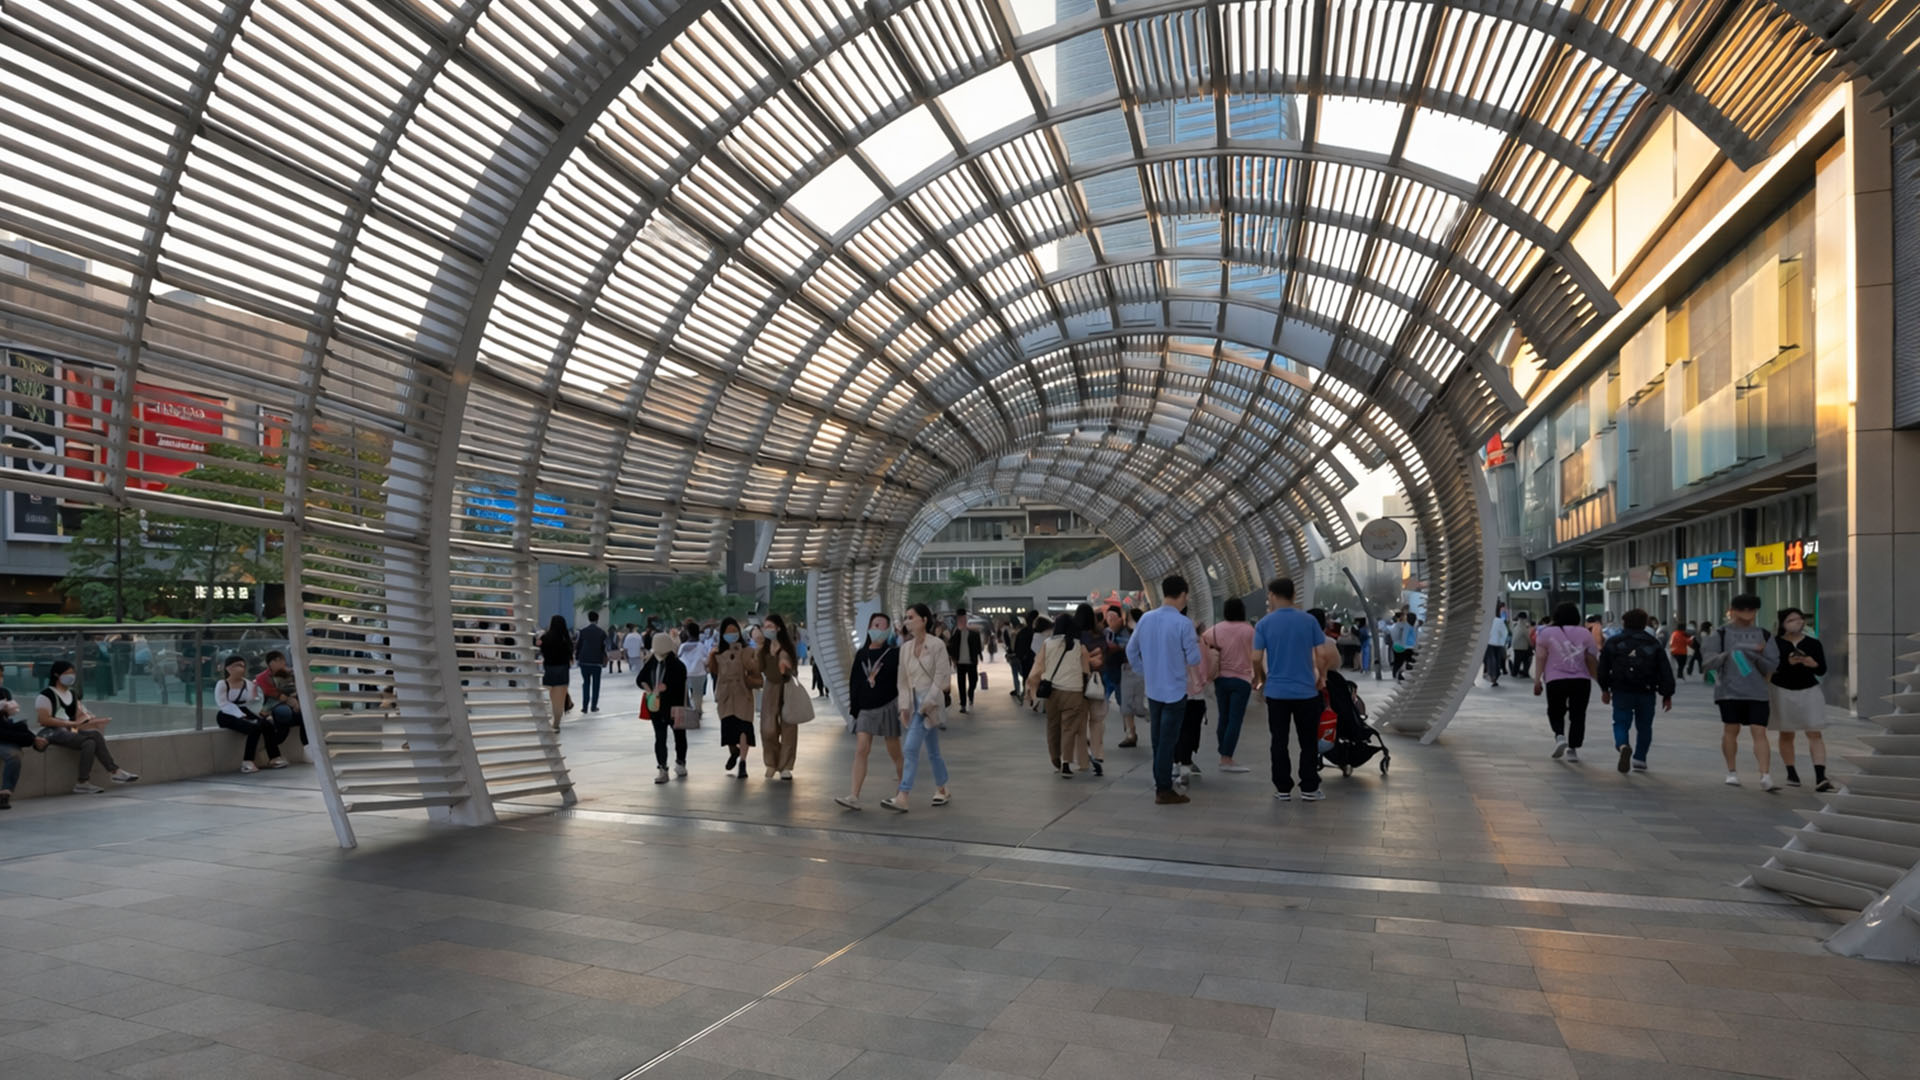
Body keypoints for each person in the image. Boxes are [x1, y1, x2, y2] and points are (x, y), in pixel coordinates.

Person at [1127, 576, 1202, 805]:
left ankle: (1162, 783)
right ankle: (1163, 789)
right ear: (1182, 594)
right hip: (1175, 690)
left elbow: (1131, 650)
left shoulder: (1146, 618)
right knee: (1168, 741)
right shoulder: (1183, 623)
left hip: (1154, 689)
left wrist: (1144, 671)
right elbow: (1194, 658)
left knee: (1158, 740)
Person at [1250, 578, 1326, 802]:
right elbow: (1321, 655)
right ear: (1293, 595)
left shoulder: (1264, 623)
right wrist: (1321, 678)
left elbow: (1256, 657)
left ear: (1272, 595)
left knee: (1279, 741)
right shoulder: (1309, 620)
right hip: (1306, 692)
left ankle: (1283, 788)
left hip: (1277, 693)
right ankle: (1309, 787)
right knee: (1308, 742)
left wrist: (1259, 678)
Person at [1701, 595, 1781, 788]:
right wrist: (1729, 654)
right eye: (1743, 609)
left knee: (1759, 730)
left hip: (1758, 691)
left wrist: (1756, 655)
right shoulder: (1720, 634)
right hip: (1729, 691)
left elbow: (1772, 664)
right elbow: (1707, 663)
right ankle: (1732, 771)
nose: (1747, 614)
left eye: (1751, 610)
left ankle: (1765, 775)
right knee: (1731, 729)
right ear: (1733, 610)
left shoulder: (1764, 634)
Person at [883, 603, 954, 812]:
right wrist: (904, 707)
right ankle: (942, 788)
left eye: (911, 617)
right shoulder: (905, 648)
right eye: (906, 617)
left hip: (929, 703)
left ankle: (903, 795)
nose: (907, 621)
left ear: (924, 620)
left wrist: (927, 703)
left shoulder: (937, 645)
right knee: (933, 750)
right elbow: (902, 681)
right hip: (914, 703)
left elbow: (941, 677)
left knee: (910, 747)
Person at [34, 661, 137, 794]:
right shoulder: (46, 695)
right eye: (67, 673)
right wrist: (71, 724)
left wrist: (92, 721)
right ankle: (114, 770)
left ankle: (83, 782)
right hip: (54, 731)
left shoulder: (71, 694)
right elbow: (44, 720)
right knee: (94, 736)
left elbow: (78, 717)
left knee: (90, 743)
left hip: (69, 730)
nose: (71, 676)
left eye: (73, 673)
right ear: (56, 675)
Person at [837, 612, 904, 811]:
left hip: (888, 706)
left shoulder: (894, 654)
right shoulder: (861, 654)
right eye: (875, 624)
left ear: (889, 630)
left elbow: (900, 680)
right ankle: (854, 795)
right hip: (866, 708)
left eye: (882, 626)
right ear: (868, 628)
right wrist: (855, 708)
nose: (878, 629)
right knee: (861, 749)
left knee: (895, 751)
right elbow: (855, 683)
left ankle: (903, 791)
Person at [1596, 609, 1674, 773]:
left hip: (1621, 689)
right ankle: (1640, 758)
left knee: (1621, 721)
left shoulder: (1614, 642)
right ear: (1644, 623)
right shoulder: (1653, 643)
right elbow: (1665, 670)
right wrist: (1667, 694)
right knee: (1645, 726)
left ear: (1624, 622)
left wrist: (1604, 689)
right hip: (1646, 691)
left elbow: (1603, 667)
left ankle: (1623, 744)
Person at [1771, 607, 1832, 792]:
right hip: (1782, 690)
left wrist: (1811, 663)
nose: (1797, 622)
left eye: (1799, 619)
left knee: (1814, 731)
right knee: (1786, 732)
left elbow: (1821, 669)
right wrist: (1787, 662)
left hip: (1809, 689)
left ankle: (1821, 776)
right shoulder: (1775, 644)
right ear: (1782, 623)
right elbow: (1770, 669)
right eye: (1791, 619)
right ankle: (1791, 772)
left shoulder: (1813, 643)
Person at [1533, 603, 1598, 761]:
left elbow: (1541, 657)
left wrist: (1537, 681)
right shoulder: (1585, 633)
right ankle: (1573, 749)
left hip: (1555, 679)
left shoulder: (1546, 633)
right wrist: (1599, 681)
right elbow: (1591, 658)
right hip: (1581, 681)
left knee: (1555, 710)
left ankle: (1560, 735)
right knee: (1578, 714)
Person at [1028, 612, 1091, 777]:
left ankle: (1055, 758)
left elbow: (1037, 667)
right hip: (1074, 691)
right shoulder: (1079, 646)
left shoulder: (1048, 643)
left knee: (1053, 726)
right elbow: (1086, 671)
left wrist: (1032, 687)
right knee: (1069, 728)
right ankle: (1066, 763)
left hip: (1053, 691)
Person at [1202, 597, 1254, 773]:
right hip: (1242, 680)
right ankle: (1226, 757)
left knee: (1223, 717)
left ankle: (1223, 752)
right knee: (1235, 719)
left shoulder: (1215, 630)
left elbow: (1202, 641)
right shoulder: (1249, 630)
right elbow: (1257, 654)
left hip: (1221, 679)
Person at [214, 655, 286, 773]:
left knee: (267, 725)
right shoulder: (222, 684)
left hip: (244, 711)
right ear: (228, 668)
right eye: (237, 666)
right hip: (226, 714)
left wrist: (262, 713)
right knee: (254, 728)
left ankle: (274, 757)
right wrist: (240, 715)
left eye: (242, 666)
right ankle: (248, 761)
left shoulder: (247, 683)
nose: (241, 668)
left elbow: (254, 701)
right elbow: (223, 704)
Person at [707, 617, 759, 779]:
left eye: (734, 631)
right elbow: (713, 671)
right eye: (728, 632)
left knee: (744, 728)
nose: (732, 634)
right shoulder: (717, 653)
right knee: (729, 729)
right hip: (726, 695)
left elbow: (755, 669)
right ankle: (734, 751)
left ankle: (743, 762)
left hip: (743, 693)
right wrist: (712, 656)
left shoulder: (747, 651)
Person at [638, 631, 689, 784]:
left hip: (674, 707)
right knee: (660, 738)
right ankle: (662, 768)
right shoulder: (651, 661)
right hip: (656, 706)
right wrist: (649, 690)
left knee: (679, 735)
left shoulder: (677, 664)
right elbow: (640, 678)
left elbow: (680, 686)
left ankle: (680, 762)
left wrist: (665, 688)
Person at [758, 613, 800, 780]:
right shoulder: (764, 648)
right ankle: (771, 762)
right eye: (765, 627)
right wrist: (761, 649)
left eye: (770, 626)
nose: (767, 630)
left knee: (789, 727)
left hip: (787, 688)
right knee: (768, 728)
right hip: (770, 688)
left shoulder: (787, 648)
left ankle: (786, 766)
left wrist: (784, 662)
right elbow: (761, 668)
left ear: (778, 628)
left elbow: (790, 671)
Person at [1, 669, 49, 810]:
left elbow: (7, 724)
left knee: (15, 753)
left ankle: (5, 793)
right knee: (13, 753)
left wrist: (31, 737)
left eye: (1, 675)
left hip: (3, 734)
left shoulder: (4, 692)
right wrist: (31, 739)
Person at [1073, 602, 1107, 776]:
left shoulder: (1075, 636)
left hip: (1078, 683)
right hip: (1097, 682)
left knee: (1080, 723)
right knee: (1097, 721)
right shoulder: (1099, 635)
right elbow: (1104, 654)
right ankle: (1098, 754)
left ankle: (1083, 759)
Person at [253, 651, 307, 752]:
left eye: (281, 660)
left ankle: (307, 747)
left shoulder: (290, 673)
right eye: (277, 660)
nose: (281, 663)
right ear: (270, 663)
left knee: (306, 717)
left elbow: (296, 689)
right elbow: (272, 693)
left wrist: (297, 702)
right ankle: (268, 747)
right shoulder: (262, 677)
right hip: (274, 705)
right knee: (285, 714)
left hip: (290, 703)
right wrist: (290, 700)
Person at [540, 615, 572, 731]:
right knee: (559, 700)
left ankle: (551, 717)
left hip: (549, 669)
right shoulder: (565, 638)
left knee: (551, 696)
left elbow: (542, 651)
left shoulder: (545, 637)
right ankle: (556, 723)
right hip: (563, 670)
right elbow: (570, 654)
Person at [947, 609, 982, 713]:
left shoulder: (974, 634)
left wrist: (979, 656)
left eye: (963, 619)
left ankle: (970, 693)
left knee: (974, 681)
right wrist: (954, 660)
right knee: (961, 684)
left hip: (971, 662)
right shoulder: (956, 634)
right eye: (960, 620)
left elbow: (978, 647)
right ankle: (963, 704)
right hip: (960, 663)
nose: (962, 621)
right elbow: (950, 646)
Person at [576, 611, 608, 713]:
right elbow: (603, 647)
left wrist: (577, 657)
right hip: (596, 662)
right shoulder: (602, 632)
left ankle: (584, 707)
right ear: (597, 619)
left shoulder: (583, 631)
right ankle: (594, 706)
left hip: (584, 661)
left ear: (589, 619)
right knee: (596, 684)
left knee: (586, 683)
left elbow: (579, 646)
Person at [676, 622, 710, 710]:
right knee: (698, 695)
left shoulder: (683, 646)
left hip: (686, 674)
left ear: (688, 632)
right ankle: (698, 711)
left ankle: (689, 711)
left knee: (686, 696)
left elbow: (679, 659)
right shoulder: (701, 646)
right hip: (699, 674)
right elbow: (706, 660)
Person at [1484, 603, 1510, 687]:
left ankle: (1492, 675)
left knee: (1491, 660)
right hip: (1498, 644)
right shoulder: (1500, 621)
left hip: (1489, 643)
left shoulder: (1487, 620)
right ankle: (1495, 676)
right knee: (1497, 660)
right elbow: (1504, 632)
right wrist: (1502, 642)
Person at [1390, 612, 1418, 680]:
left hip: (1404, 646)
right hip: (1407, 647)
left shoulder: (1403, 626)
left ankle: (1398, 674)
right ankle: (1400, 674)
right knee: (1408, 662)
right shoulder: (1408, 627)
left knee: (1401, 662)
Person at [1508, 612, 1533, 677]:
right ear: (1524, 618)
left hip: (1516, 647)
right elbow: (1528, 637)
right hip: (1522, 647)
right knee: (1526, 660)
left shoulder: (1515, 626)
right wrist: (1531, 644)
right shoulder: (1523, 626)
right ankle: (1524, 672)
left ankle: (1515, 673)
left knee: (1517, 661)